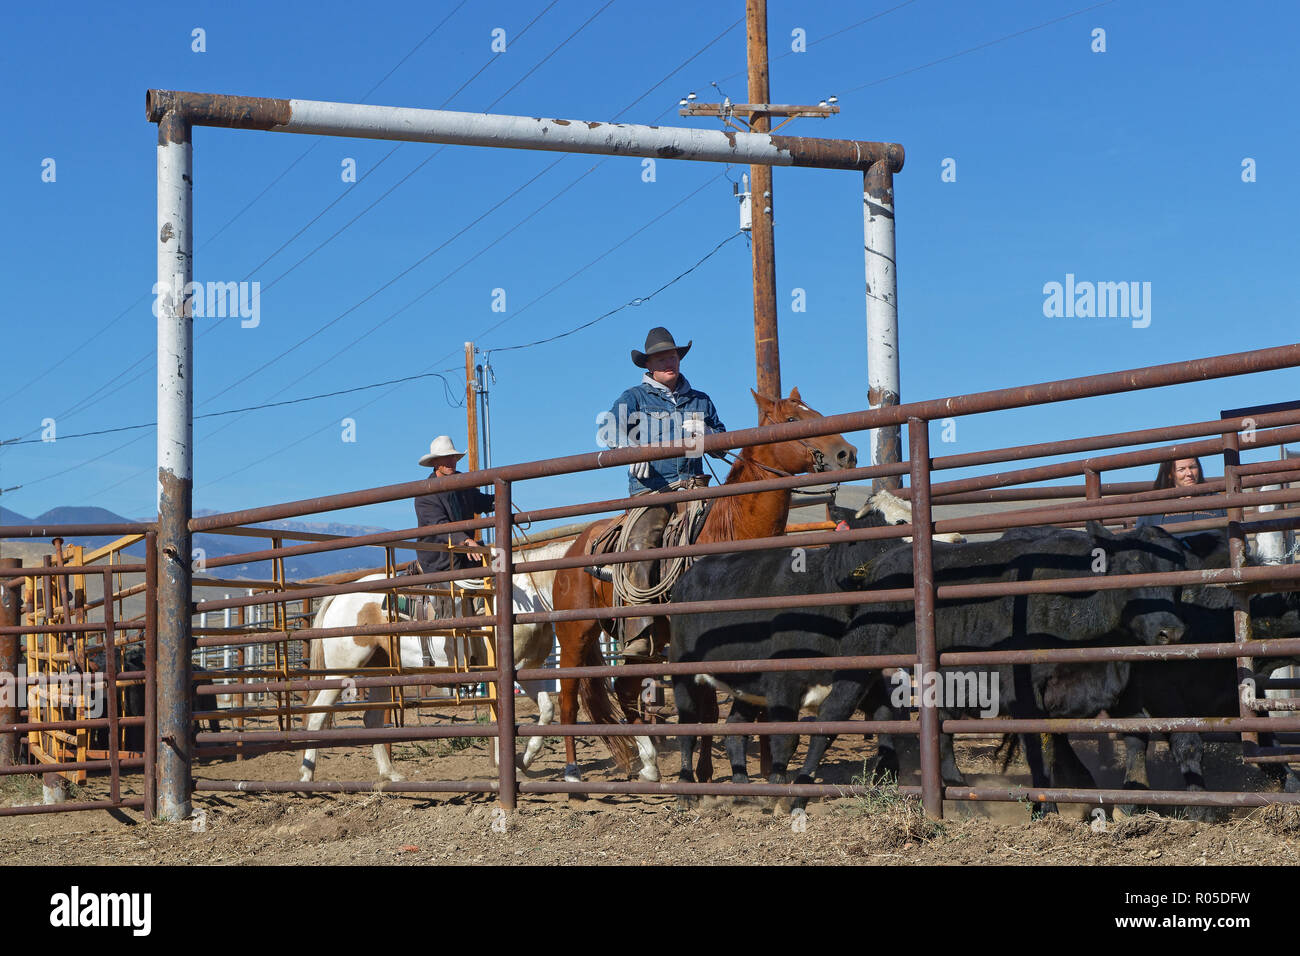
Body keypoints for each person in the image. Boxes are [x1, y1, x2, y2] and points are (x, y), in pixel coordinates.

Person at [598, 327, 727, 660]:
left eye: (672, 356)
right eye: (660, 358)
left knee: (726, 535)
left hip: (695, 485)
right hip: (653, 491)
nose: (668, 361)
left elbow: (723, 444)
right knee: (641, 545)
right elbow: (607, 429)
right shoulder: (634, 398)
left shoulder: (700, 399)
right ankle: (639, 632)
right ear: (649, 365)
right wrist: (630, 448)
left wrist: (709, 433)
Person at [412, 435, 495, 621]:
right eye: (445, 457)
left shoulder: (461, 482)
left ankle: (492, 613)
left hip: (465, 554)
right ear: (435, 462)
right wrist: (465, 540)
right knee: (454, 603)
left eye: (453, 457)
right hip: (440, 561)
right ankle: (458, 639)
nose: (451, 461)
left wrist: (497, 500)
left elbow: (479, 501)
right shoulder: (425, 494)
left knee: (502, 563)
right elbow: (439, 526)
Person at [1135, 456, 1227, 536]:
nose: (1189, 473)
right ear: (1170, 474)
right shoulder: (1154, 507)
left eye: (1193, 467)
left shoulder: (1216, 501)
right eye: (1181, 469)